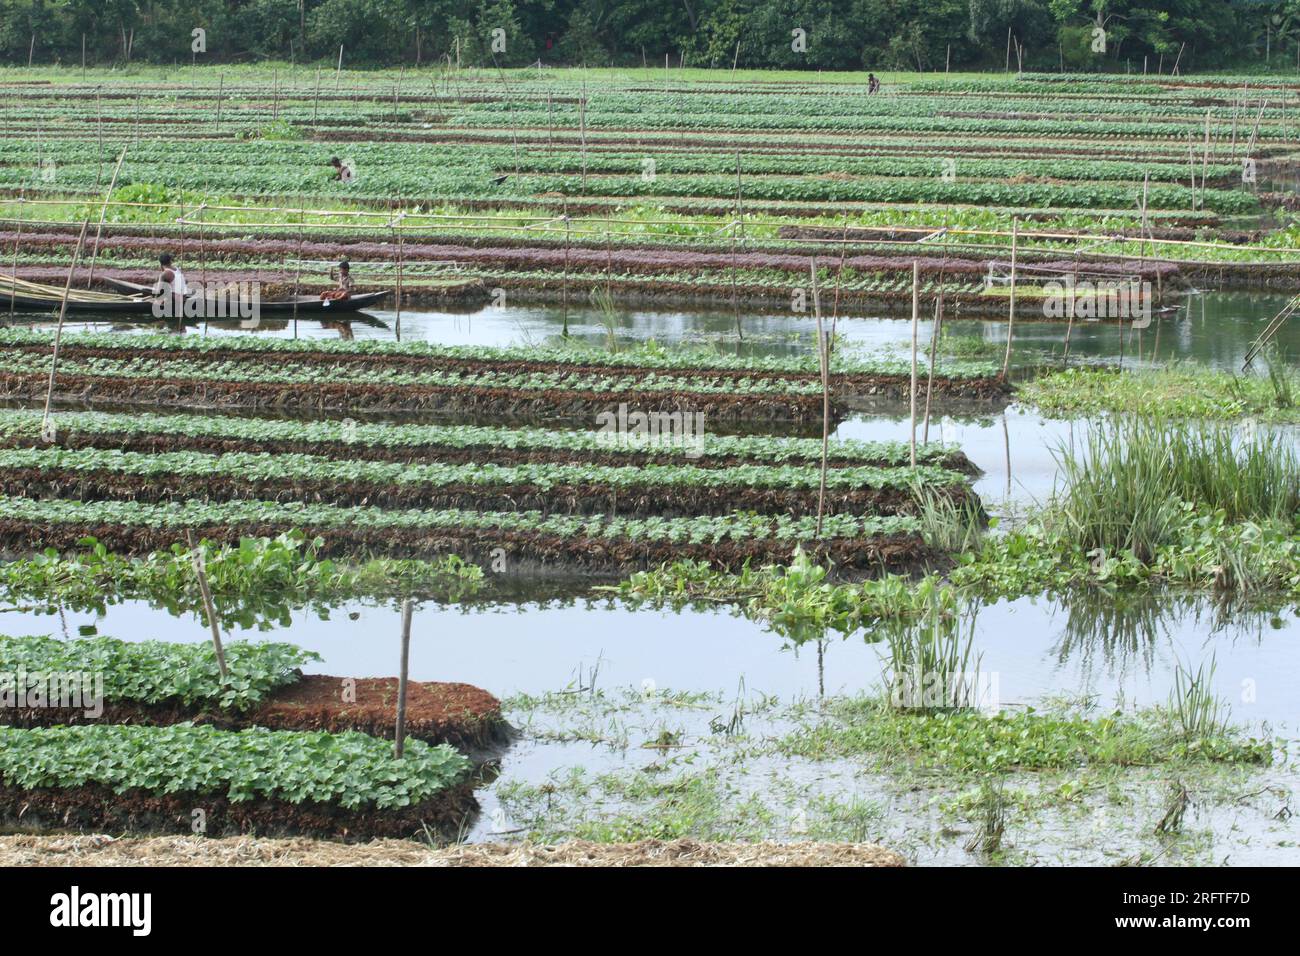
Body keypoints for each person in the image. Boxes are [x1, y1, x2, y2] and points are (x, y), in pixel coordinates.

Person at [153, 253, 188, 317]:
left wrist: (155, 299)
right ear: (170, 261)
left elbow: (159, 291)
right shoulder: (177, 269)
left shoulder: (164, 274)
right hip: (184, 297)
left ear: (160, 263)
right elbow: (185, 282)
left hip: (176, 300)